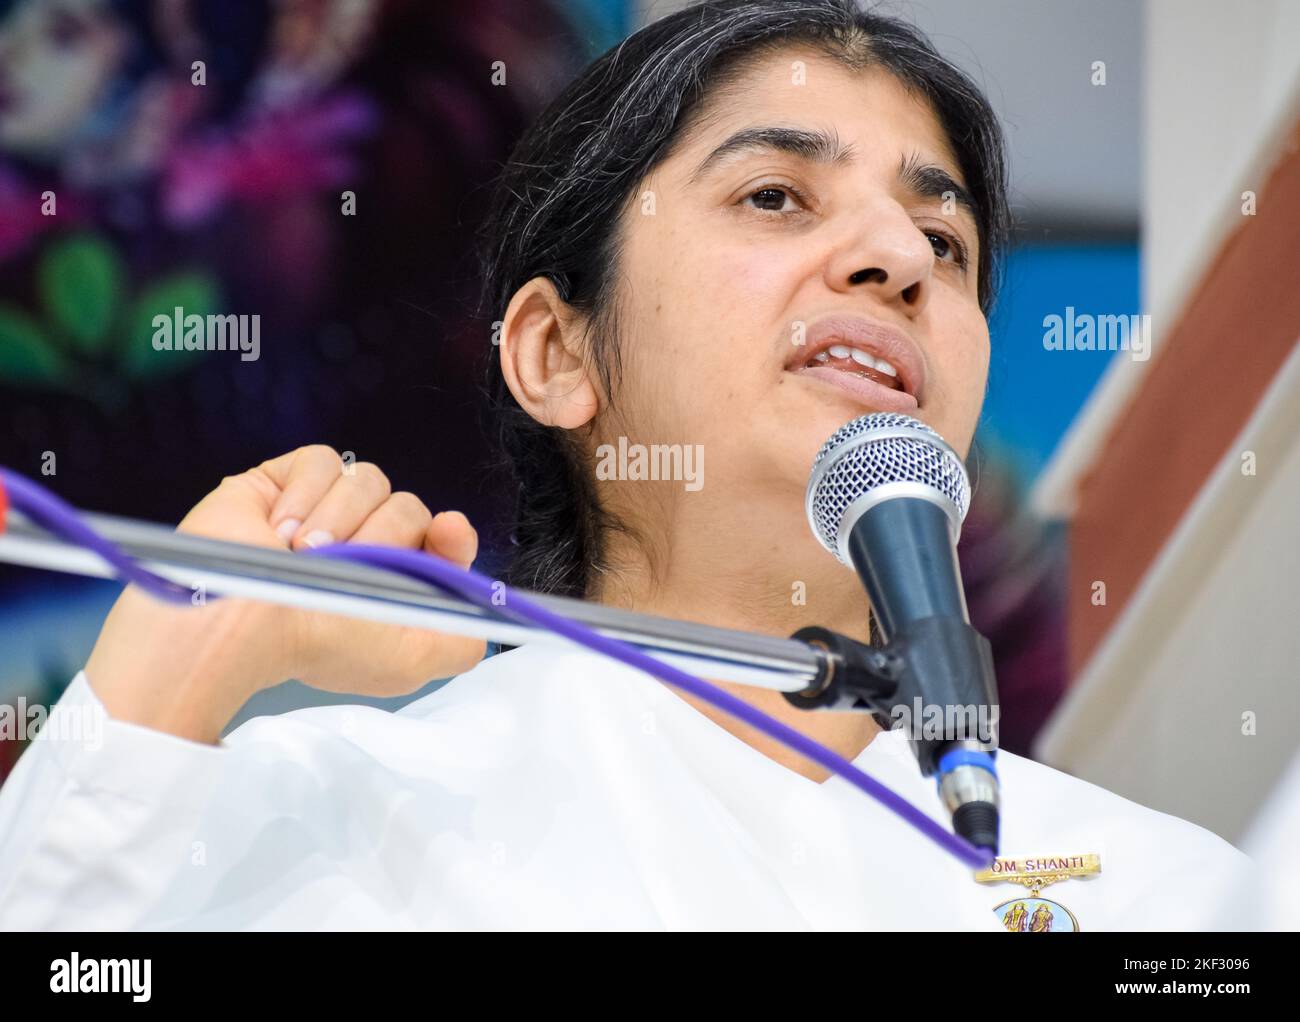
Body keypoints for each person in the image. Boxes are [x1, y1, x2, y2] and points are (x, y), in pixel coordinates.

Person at [0, 0, 1252, 930]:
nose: (896, 256)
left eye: (943, 234)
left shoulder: (1160, 892)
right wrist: (172, 669)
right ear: (554, 353)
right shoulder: (320, 826)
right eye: (775, 196)